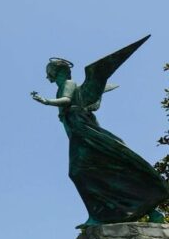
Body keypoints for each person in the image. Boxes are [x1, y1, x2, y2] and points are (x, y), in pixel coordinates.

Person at [31, 44, 168, 227]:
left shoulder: (68, 84)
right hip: (77, 131)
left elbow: (67, 100)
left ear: (56, 71)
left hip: (84, 130)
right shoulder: (64, 86)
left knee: (79, 171)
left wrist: (47, 101)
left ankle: (102, 214)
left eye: (49, 71)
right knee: (101, 168)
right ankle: (139, 211)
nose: (48, 75)